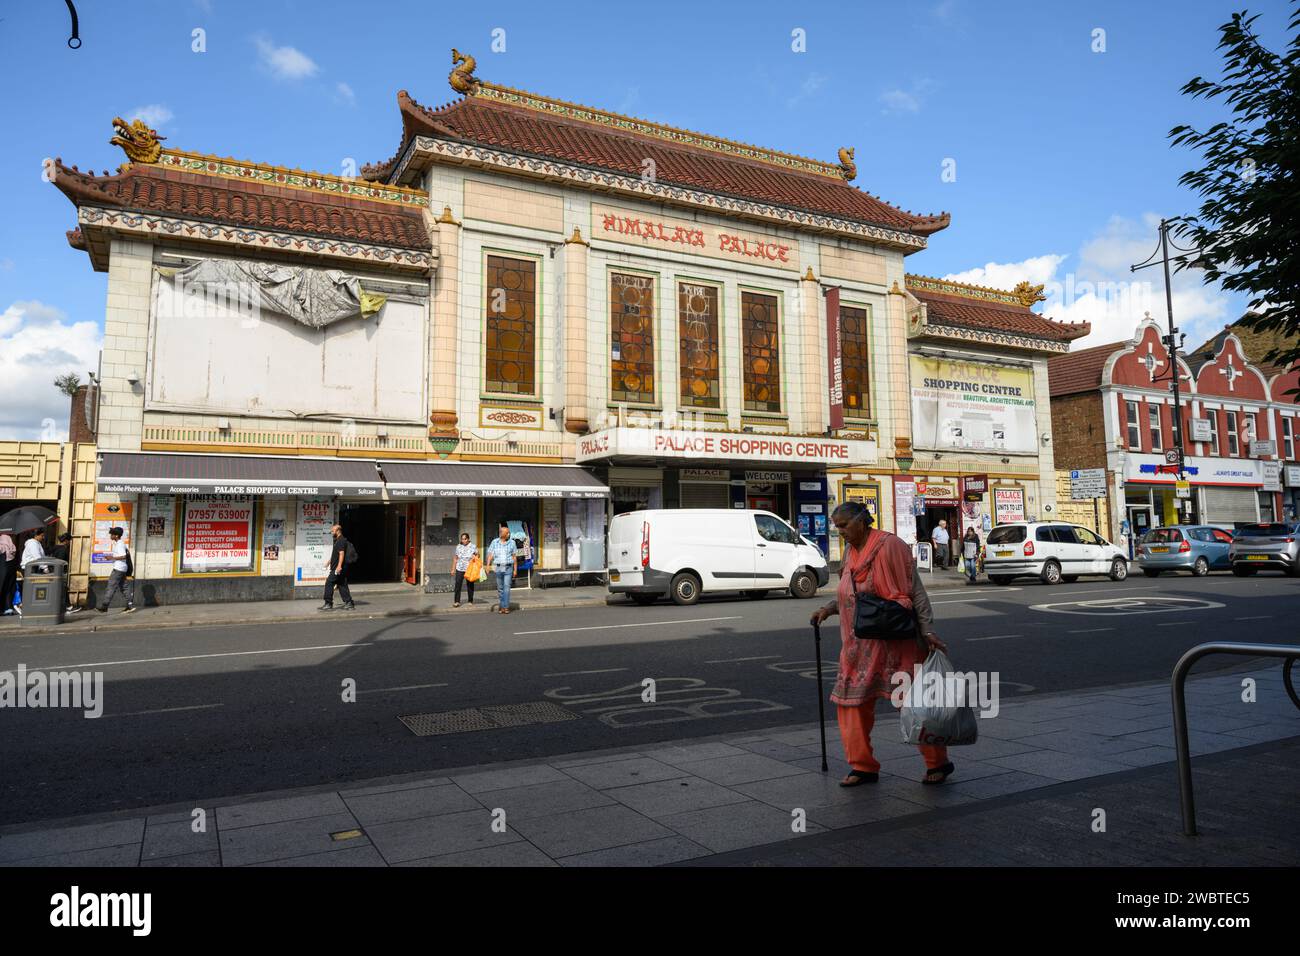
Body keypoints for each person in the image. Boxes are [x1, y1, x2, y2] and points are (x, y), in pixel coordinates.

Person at [810, 501, 955, 787]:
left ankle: (938, 762)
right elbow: (854, 595)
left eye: (844, 525)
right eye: (836, 527)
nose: (840, 532)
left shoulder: (891, 546)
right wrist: (829, 607)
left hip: (895, 642)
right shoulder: (851, 552)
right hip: (858, 644)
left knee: (913, 704)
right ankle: (862, 766)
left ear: (862, 521)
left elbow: (915, 592)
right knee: (850, 704)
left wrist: (927, 632)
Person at [97, 527, 136, 613]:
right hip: (122, 568)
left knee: (111, 586)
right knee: (124, 587)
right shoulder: (120, 543)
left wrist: (111, 558)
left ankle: (104, 607)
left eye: (112, 534)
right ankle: (130, 606)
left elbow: (123, 556)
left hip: (118, 569)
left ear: (117, 535)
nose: (111, 536)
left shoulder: (120, 544)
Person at [319, 524, 355, 611]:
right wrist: (328, 562)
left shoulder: (341, 541)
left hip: (337, 568)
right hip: (338, 568)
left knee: (329, 583)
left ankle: (328, 603)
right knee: (342, 584)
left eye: (333, 531)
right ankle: (349, 603)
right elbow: (335, 555)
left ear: (338, 531)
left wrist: (338, 566)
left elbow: (341, 554)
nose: (331, 532)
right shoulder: (338, 540)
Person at [486, 524, 519, 614]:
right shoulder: (495, 542)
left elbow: (514, 557)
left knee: (507, 587)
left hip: (508, 567)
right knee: (500, 588)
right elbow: (490, 555)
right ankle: (502, 605)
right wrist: (488, 566)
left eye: (502, 531)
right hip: (498, 567)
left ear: (507, 534)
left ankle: (506, 607)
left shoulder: (512, 543)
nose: (500, 532)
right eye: (500, 531)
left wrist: (515, 569)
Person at [49, 532, 82, 613]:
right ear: (66, 541)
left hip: (55, 572)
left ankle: (66, 606)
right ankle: (68, 606)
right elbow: (60, 561)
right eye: (69, 541)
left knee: (62, 589)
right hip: (60, 572)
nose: (70, 542)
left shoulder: (56, 547)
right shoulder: (63, 549)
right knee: (63, 589)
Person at [452, 532, 476, 607]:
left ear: (468, 539)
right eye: (462, 539)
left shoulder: (473, 546)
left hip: (469, 568)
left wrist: (475, 556)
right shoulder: (458, 546)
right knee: (458, 585)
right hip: (459, 568)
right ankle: (457, 601)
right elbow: (455, 558)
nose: (463, 541)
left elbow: (478, 555)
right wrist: (453, 569)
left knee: (470, 585)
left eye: (465, 539)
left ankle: (470, 600)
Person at [0, 532, 16, 615]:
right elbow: (13, 550)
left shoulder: (2, 541)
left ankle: (3, 608)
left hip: (4, 565)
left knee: (3, 586)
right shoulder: (7, 538)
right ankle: (8, 607)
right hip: (11, 565)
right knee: (9, 588)